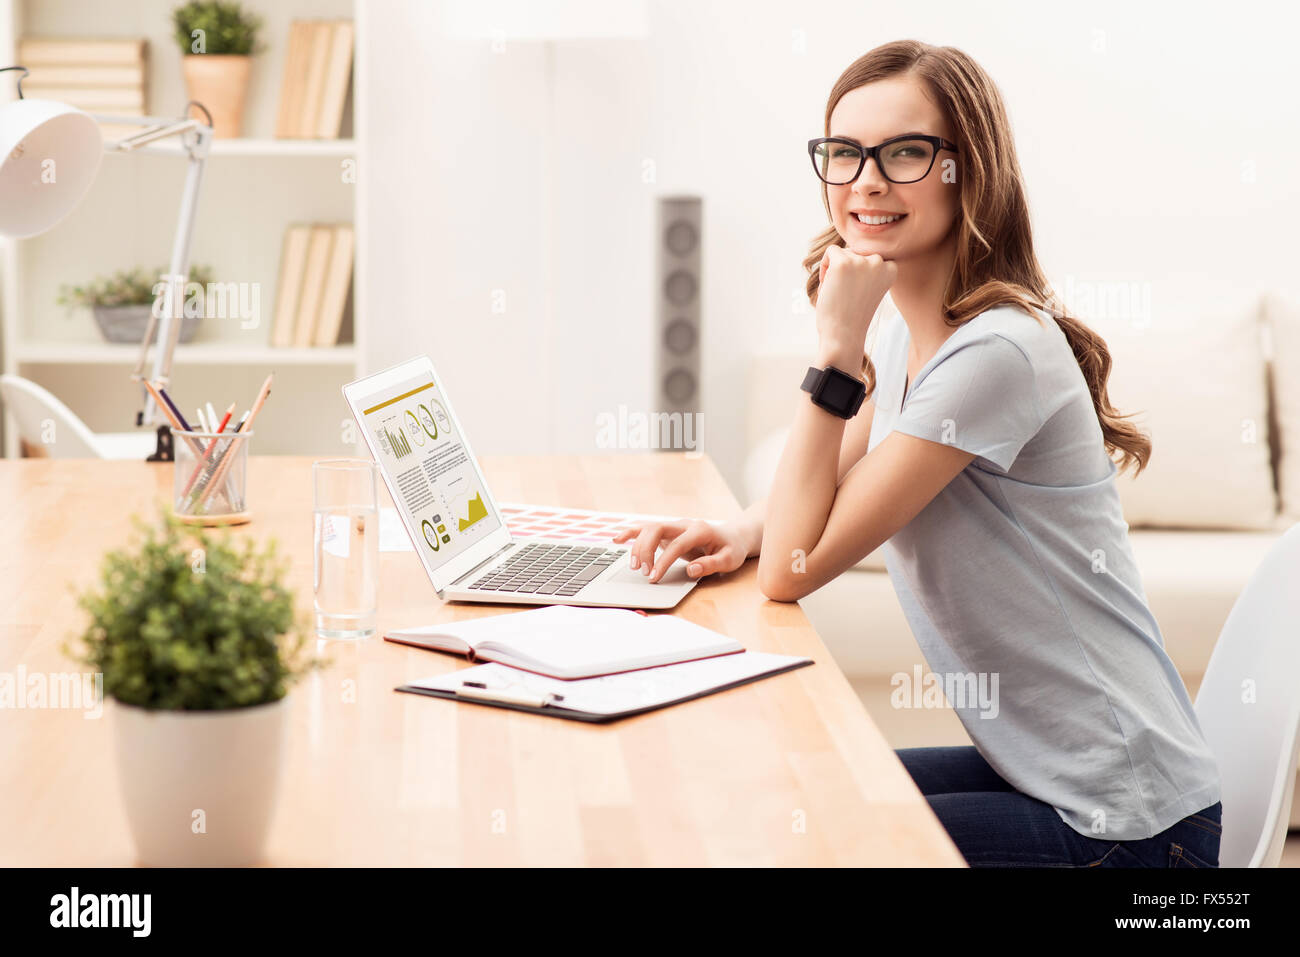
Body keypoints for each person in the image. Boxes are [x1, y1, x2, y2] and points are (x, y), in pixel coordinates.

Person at [612, 39, 1222, 868]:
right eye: (844, 153)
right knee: (785, 791)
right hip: (1047, 777)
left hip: (1131, 824)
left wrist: (834, 350)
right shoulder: (910, 338)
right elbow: (817, 500)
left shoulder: (996, 353)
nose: (866, 180)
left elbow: (797, 567)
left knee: (800, 839)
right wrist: (742, 530)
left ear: (964, 170)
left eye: (904, 153)